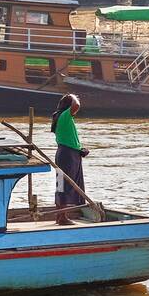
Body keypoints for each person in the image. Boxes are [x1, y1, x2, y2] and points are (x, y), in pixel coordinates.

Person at [51, 93, 88, 224]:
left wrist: (80, 149)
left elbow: (70, 139)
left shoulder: (60, 117)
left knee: (62, 185)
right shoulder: (64, 116)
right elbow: (76, 105)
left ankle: (60, 216)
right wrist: (73, 95)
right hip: (67, 156)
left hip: (67, 153)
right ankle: (62, 217)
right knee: (64, 185)